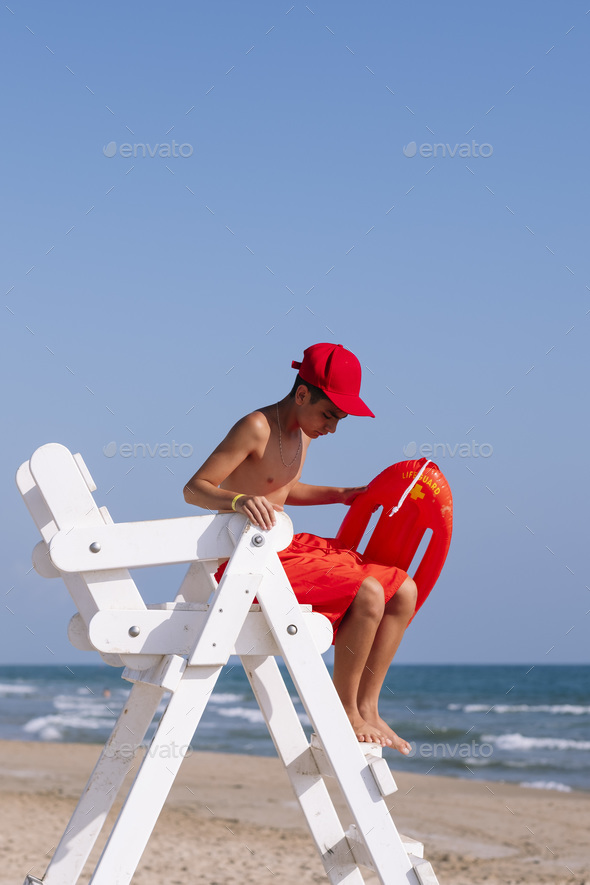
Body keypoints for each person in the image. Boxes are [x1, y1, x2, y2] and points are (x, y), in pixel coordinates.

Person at [183, 343, 416, 753]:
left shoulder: (305, 432)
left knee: (404, 589)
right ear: (303, 393)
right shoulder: (256, 427)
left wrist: (342, 494)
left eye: (340, 419)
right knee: (369, 591)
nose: (333, 428)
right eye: (330, 415)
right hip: (246, 560)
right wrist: (238, 501)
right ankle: (345, 712)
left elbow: (283, 489)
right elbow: (195, 489)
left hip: (282, 547)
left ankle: (368, 706)